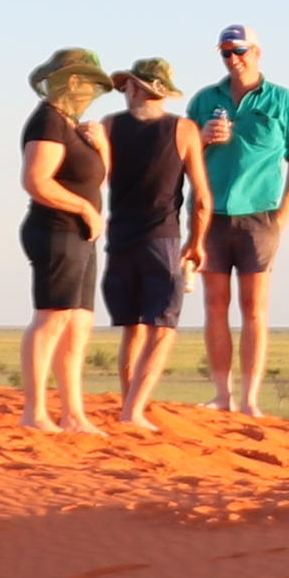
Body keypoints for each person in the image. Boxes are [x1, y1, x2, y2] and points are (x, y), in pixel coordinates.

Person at [186, 23, 289, 415]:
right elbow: (181, 153)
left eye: (239, 50)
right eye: (226, 53)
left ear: (257, 52)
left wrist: (285, 212)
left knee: (254, 307)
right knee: (214, 304)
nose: (233, 59)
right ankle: (222, 395)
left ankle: (251, 399)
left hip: (260, 215)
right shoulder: (205, 100)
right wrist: (202, 137)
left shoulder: (282, 100)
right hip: (211, 213)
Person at [98, 57, 210, 430]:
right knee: (162, 327)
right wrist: (198, 242)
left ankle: (131, 404)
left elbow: (96, 180)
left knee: (133, 328)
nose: (124, 90)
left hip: (119, 239)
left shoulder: (108, 127)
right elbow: (201, 198)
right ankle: (133, 411)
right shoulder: (184, 130)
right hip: (162, 239)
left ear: (137, 87)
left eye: (127, 84)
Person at [16, 48, 111, 430]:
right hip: (55, 229)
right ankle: (35, 412)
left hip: (80, 234)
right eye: (87, 82)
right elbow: (36, 180)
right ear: (70, 81)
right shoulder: (47, 122)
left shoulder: (72, 125)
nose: (91, 91)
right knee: (52, 317)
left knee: (78, 322)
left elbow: (96, 180)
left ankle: (73, 413)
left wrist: (102, 148)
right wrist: (85, 210)